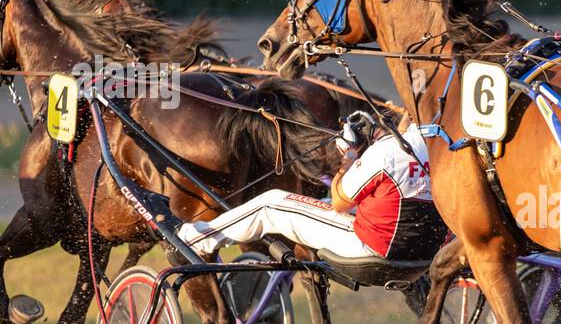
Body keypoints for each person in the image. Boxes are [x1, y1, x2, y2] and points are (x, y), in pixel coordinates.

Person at [177, 111, 448, 263]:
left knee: (271, 203)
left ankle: (198, 239)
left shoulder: (387, 152)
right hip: (424, 253)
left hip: (371, 247)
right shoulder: (444, 150)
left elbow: (342, 202)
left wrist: (350, 157)